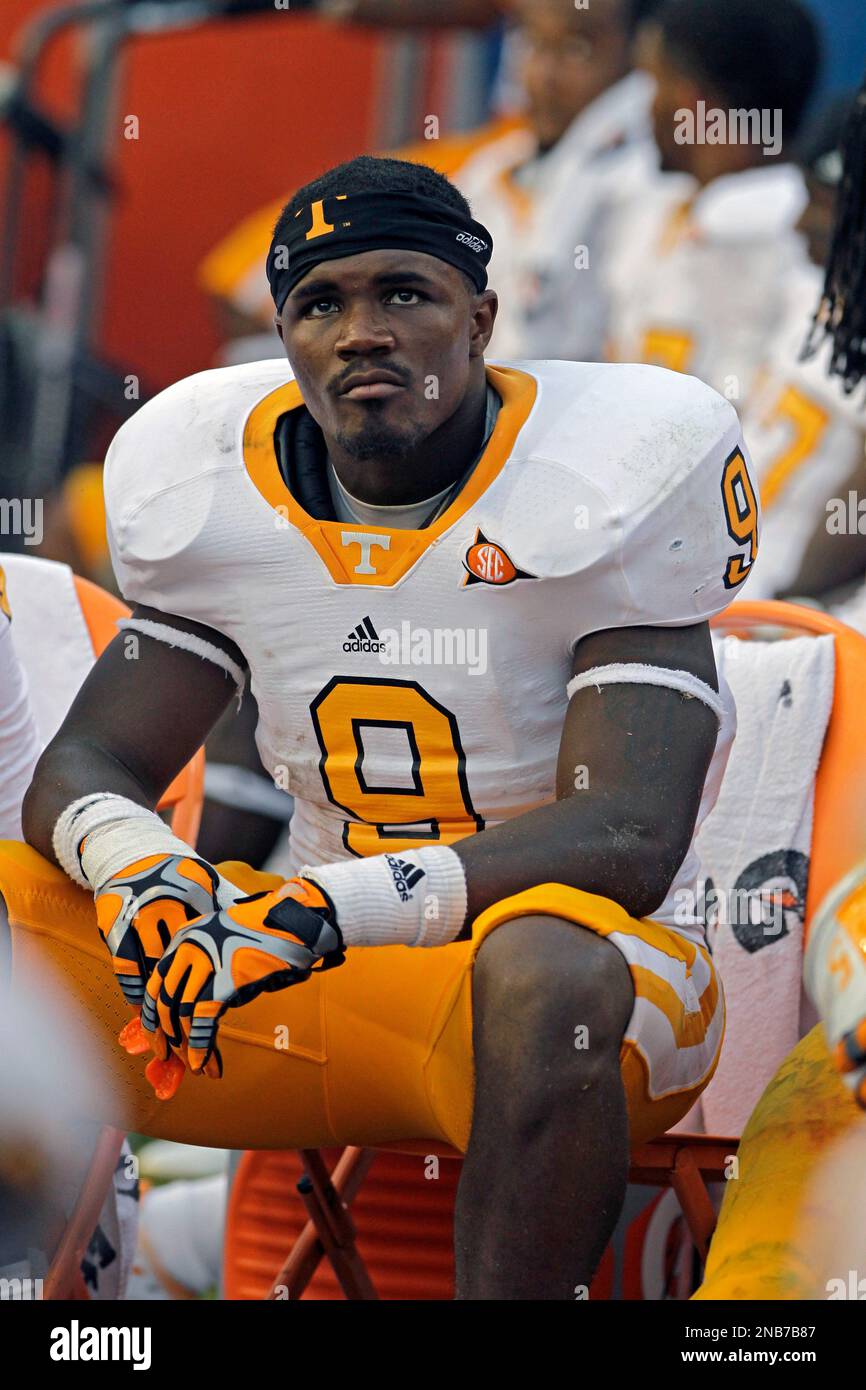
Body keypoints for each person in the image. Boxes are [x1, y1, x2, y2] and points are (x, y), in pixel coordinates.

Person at [13, 154, 760, 1300]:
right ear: (282, 334)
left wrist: (329, 907)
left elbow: (625, 835)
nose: (362, 331)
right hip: (292, 976)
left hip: (558, 991)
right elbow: (86, 765)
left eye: (403, 293)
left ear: (481, 317)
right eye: (321, 303)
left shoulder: (612, 475)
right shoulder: (213, 485)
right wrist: (149, 874)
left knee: (546, 962)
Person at [606, 0, 821, 405]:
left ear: (690, 101)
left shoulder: (784, 230)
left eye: (653, 81)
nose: (643, 106)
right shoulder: (659, 203)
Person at [737, 93, 866, 602]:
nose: (800, 224)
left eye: (822, 203)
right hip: (743, 599)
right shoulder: (808, 294)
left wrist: (781, 606)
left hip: (818, 629)